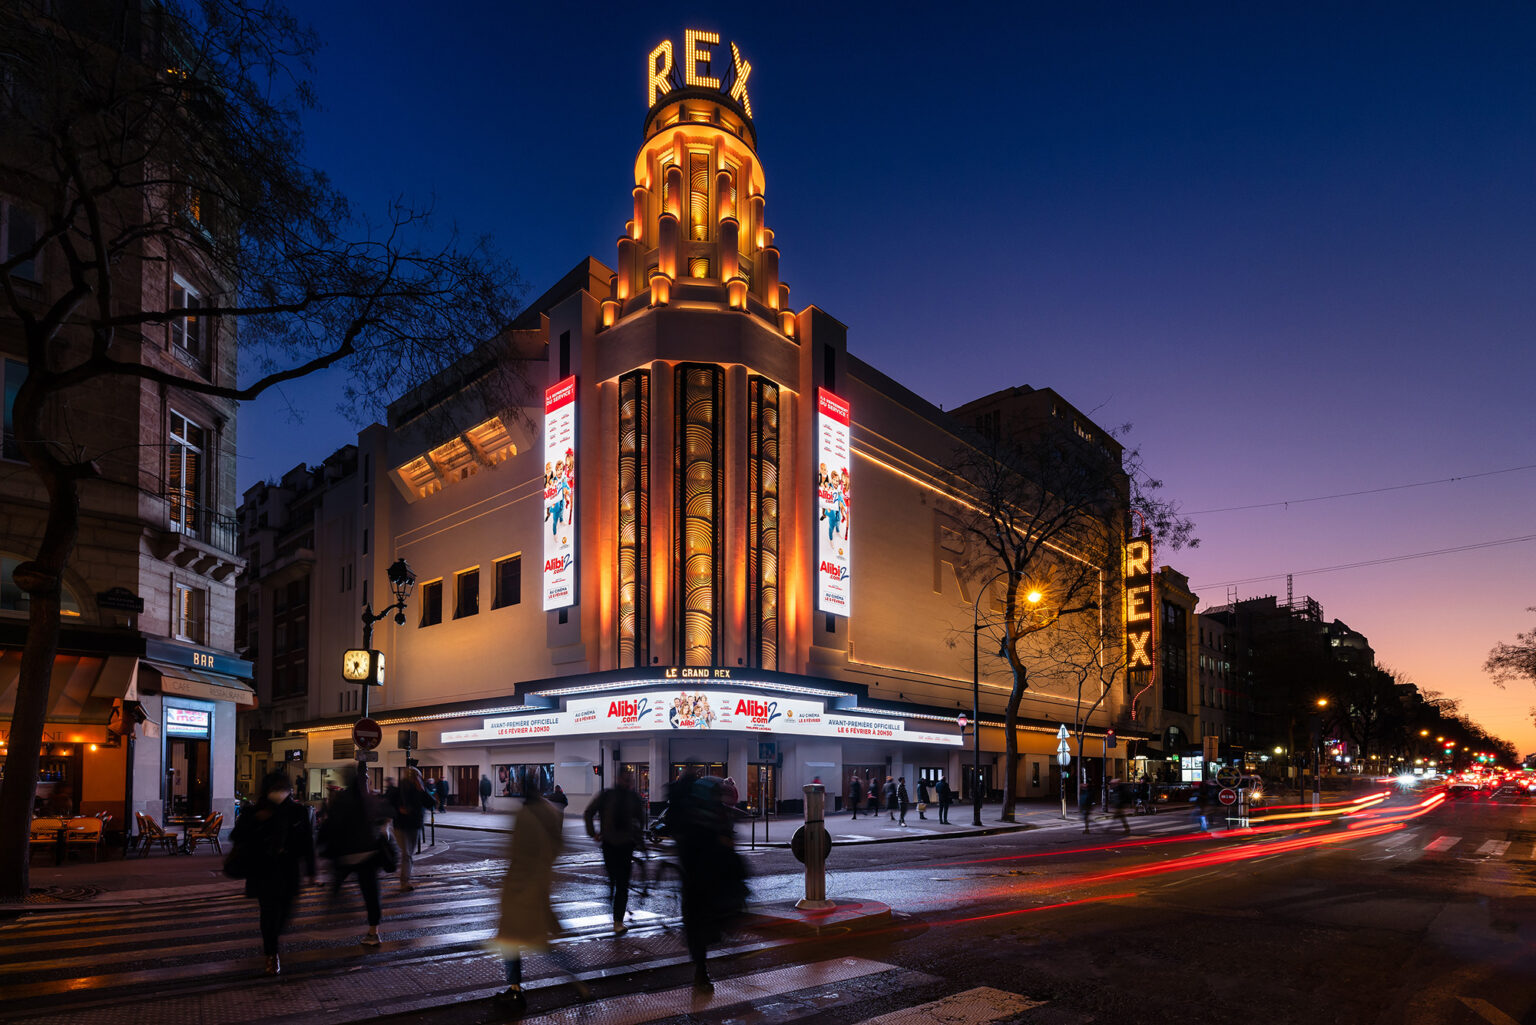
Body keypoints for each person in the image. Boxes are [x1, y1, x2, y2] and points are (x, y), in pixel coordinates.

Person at [491, 780, 586, 1014]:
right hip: (540, 884)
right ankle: (573, 972)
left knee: (512, 939)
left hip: (522, 888)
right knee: (539, 939)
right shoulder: (548, 811)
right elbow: (558, 844)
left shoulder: (525, 816)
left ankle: (515, 987)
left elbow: (517, 854)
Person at [662, 773, 747, 991]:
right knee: (714, 914)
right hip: (713, 874)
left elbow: (673, 829)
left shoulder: (684, 810)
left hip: (692, 876)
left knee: (695, 923)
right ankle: (722, 940)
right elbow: (728, 844)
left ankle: (701, 971)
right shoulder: (713, 811)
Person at [229, 771, 315, 977]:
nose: (279, 793)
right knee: (268, 914)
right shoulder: (254, 811)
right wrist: (257, 822)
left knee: (285, 914)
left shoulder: (297, 812)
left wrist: (312, 871)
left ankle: (272, 940)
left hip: (288, 871)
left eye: (282, 789)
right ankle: (271, 954)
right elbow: (237, 835)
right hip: (264, 870)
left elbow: (307, 843)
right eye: (275, 789)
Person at [318, 766, 387, 947]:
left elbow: (331, 825)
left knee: (337, 883)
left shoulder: (342, 799)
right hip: (369, 854)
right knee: (372, 894)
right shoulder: (370, 799)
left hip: (346, 853)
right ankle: (373, 932)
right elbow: (384, 818)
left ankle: (334, 911)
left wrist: (321, 845)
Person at [583, 769, 646, 934]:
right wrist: (593, 833)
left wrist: (639, 839)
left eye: (629, 780)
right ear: (618, 779)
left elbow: (641, 820)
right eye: (626, 779)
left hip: (625, 844)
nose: (628, 783)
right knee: (614, 879)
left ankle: (618, 920)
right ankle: (613, 895)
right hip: (610, 843)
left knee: (622, 884)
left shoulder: (633, 798)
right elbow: (589, 812)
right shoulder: (606, 796)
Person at [385, 768, 432, 892]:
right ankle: (404, 882)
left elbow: (431, 803)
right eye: (413, 777)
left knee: (409, 854)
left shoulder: (420, 789)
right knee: (406, 853)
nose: (415, 779)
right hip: (401, 826)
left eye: (417, 777)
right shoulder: (398, 790)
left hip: (415, 825)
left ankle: (405, 880)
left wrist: (422, 790)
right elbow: (389, 805)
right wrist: (398, 810)